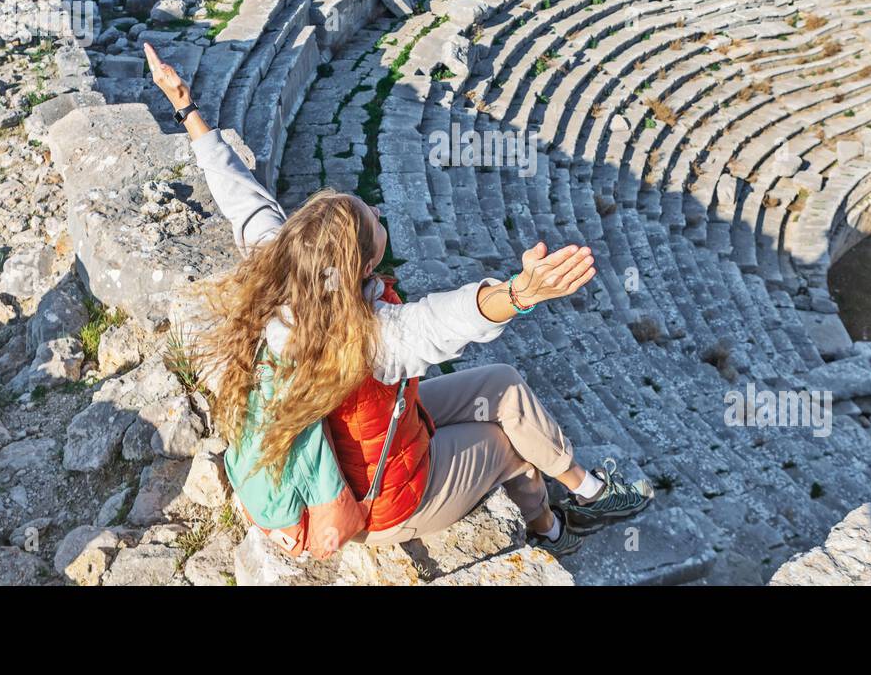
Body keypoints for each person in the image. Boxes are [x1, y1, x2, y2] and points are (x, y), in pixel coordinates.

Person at [145, 42, 652, 557]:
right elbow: (446, 322)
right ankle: (552, 531)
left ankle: (589, 491)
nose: (380, 216)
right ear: (362, 266)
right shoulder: (370, 337)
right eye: (374, 220)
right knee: (511, 452)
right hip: (383, 501)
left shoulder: (281, 268)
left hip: (374, 442)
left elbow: (240, 195)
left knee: (503, 384)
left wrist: (187, 108)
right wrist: (520, 293)